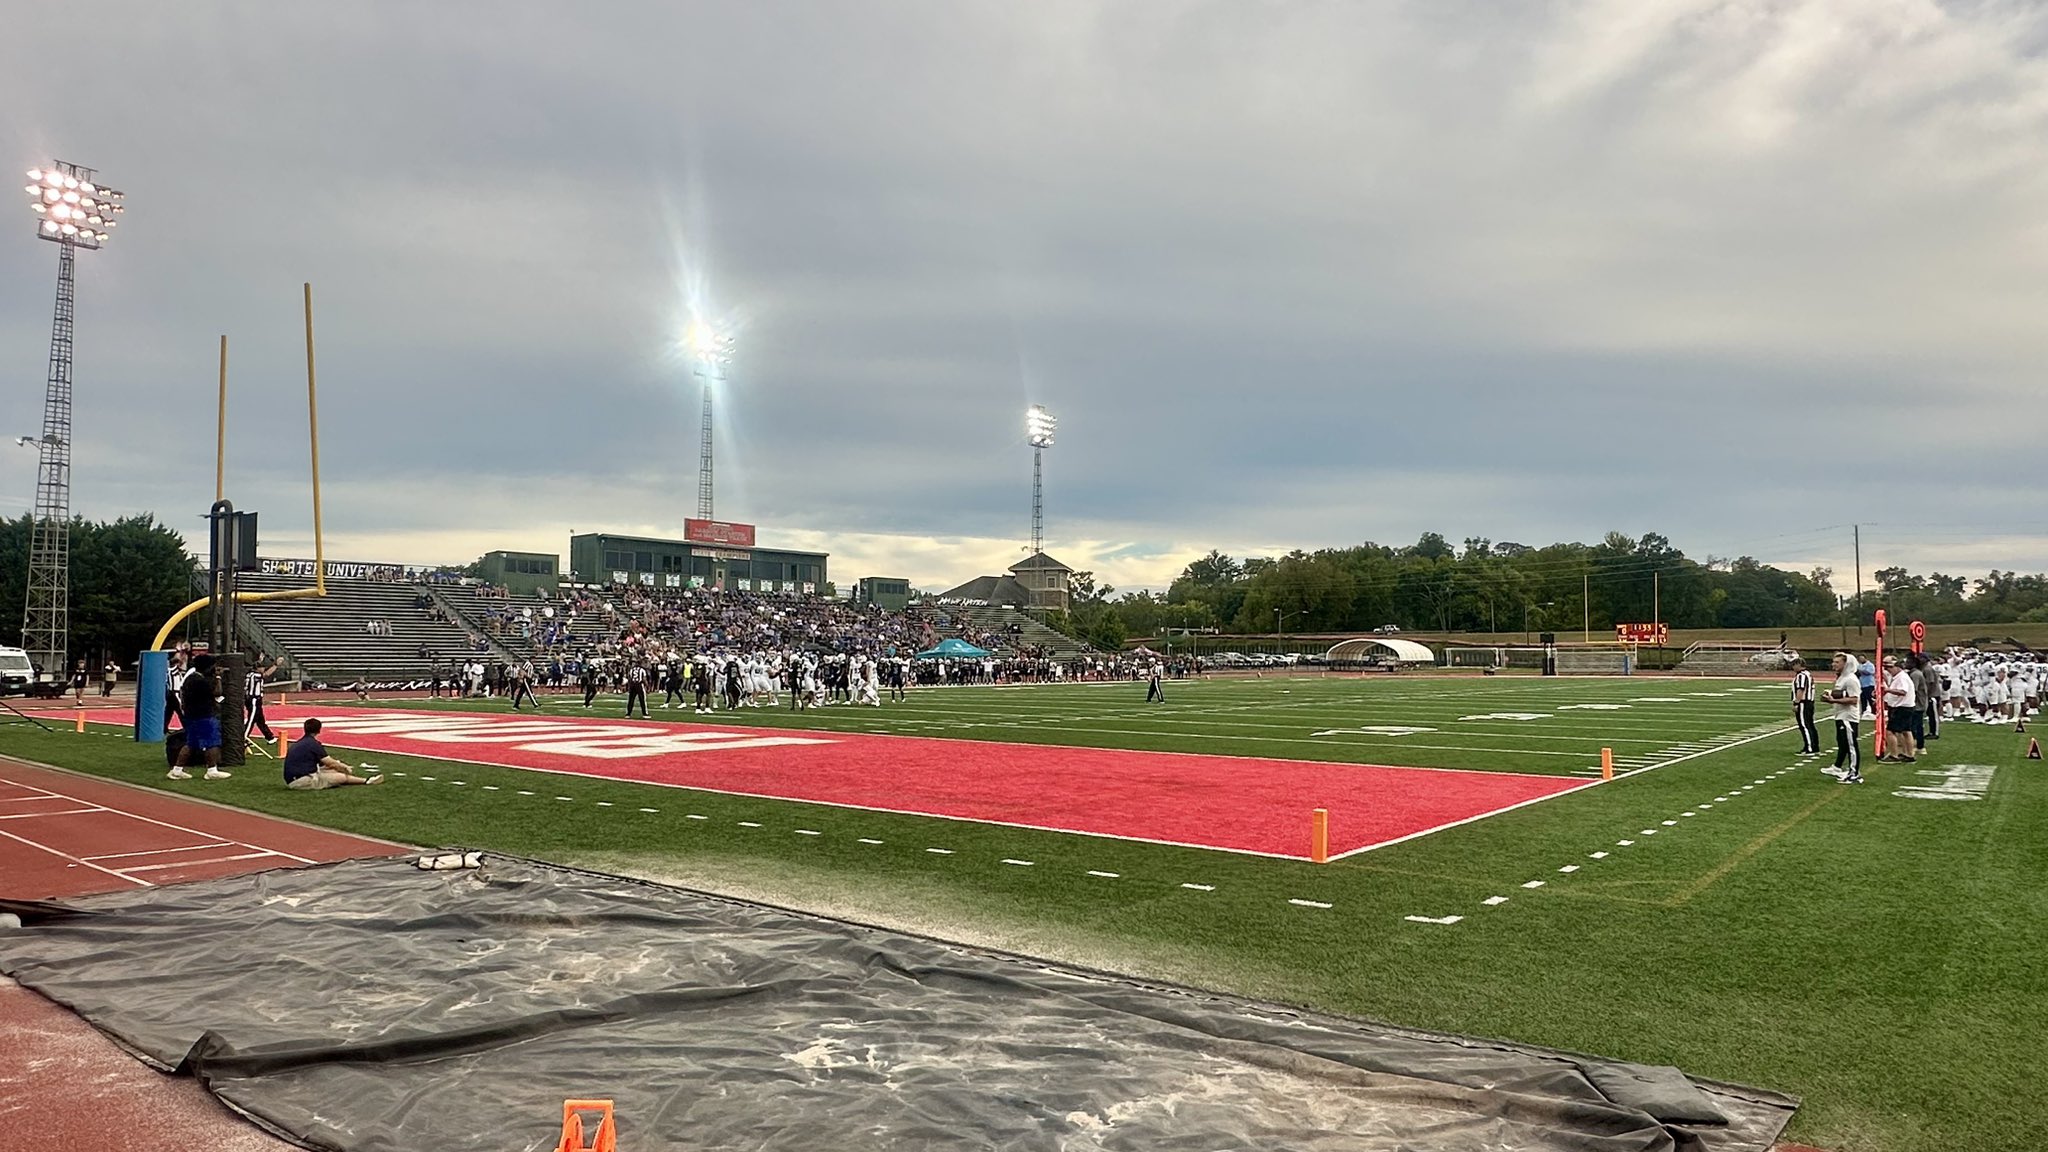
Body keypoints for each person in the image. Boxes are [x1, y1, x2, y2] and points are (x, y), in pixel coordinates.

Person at [168, 654, 231, 781]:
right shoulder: (200, 681)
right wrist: (218, 677)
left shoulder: (191, 679)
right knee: (212, 742)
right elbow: (217, 693)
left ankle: (177, 770)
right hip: (204, 716)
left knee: (191, 744)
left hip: (192, 716)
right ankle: (212, 770)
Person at [282, 718, 383, 789]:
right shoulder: (313, 744)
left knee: (331, 772)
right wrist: (344, 767)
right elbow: (330, 763)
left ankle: (364, 780)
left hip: (293, 779)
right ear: (319, 730)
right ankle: (366, 781)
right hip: (302, 781)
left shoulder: (299, 743)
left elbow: (324, 765)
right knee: (340, 777)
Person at [1823, 652, 1863, 784]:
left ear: (1846, 664)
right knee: (1843, 743)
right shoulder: (1842, 678)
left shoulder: (1851, 679)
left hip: (1848, 716)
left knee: (1851, 745)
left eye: (1837, 662)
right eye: (1833, 662)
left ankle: (1854, 773)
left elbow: (1854, 699)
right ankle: (1839, 768)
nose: (1834, 664)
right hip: (1841, 715)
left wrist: (1833, 700)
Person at [1880, 655, 1918, 763]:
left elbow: (1902, 691)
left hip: (1902, 707)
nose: (1888, 670)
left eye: (1889, 668)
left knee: (1890, 731)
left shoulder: (1901, 677)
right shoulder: (1898, 677)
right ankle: (1909, 754)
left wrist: (1888, 690)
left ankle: (1894, 755)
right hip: (1906, 706)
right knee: (1906, 731)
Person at [244, 654, 278, 744]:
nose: (263, 669)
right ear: (257, 668)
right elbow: (266, 674)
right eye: (262, 667)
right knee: (251, 719)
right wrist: (276, 665)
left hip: (255, 699)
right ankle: (243, 736)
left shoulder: (250, 674)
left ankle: (269, 736)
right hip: (253, 699)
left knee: (260, 720)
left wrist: (260, 659)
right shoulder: (255, 675)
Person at [1790, 660, 1819, 756]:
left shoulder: (1801, 676)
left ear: (1799, 665)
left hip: (1803, 703)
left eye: (1794, 665)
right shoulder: (1807, 674)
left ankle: (1809, 748)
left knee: (1804, 725)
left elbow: (1800, 689)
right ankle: (1814, 746)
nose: (1793, 667)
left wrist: (1796, 703)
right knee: (1810, 724)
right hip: (1809, 702)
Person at [1856, 656, 1877, 721]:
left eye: (1862, 658)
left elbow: (1870, 672)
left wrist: (1861, 671)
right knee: (1863, 699)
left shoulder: (1870, 665)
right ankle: (1863, 712)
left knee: (1871, 699)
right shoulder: (1859, 665)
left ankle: (1874, 712)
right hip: (1862, 685)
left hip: (1869, 684)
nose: (1861, 660)